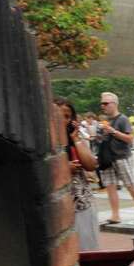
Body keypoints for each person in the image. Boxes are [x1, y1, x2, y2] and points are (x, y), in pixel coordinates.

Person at [54, 97, 101, 250]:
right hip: (58, 208)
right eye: (59, 116)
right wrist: (65, 167)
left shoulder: (75, 139)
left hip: (81, 203)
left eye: (67, 116)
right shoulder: (45, 142)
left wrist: (76, 139)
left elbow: (91, 165)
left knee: (87, 249)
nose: (64, 120)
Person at [96, 92, 134, 223]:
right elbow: (102, 139)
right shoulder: (105, 121)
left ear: (114, 104)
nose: (103, 106)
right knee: (110, 187)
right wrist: (99, 135)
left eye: (105, 103)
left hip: (121, 157)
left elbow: (130, 139)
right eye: (102, 103)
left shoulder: (122, 119)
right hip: (108, 159)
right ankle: (115, 215)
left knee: (130, 184)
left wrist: (112, 131)